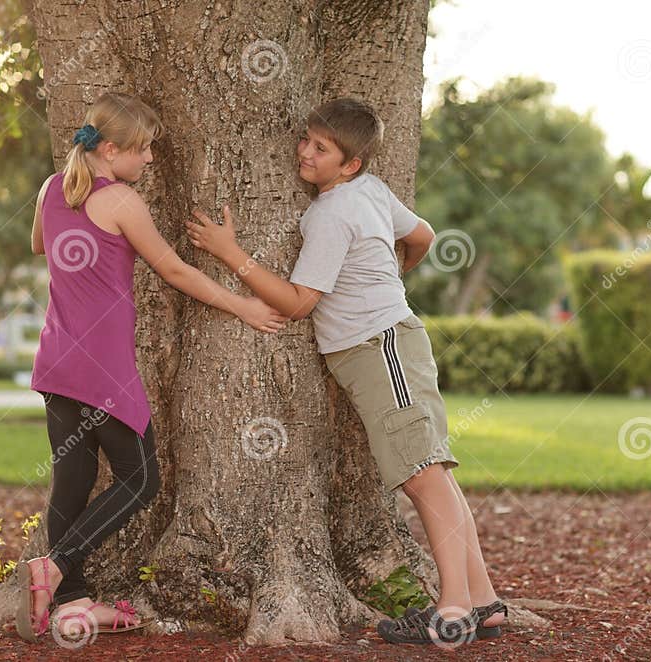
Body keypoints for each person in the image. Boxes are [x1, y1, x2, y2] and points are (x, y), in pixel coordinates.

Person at [186, 98, 506, 646]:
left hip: (381, 350)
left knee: (422, 475)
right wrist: (384, 280)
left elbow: (298, 303)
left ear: (350, 163)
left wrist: (230, 253)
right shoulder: (371, 192)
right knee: (435, 472)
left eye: (321, 148)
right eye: (307, 140)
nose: (304, 153)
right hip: (391, 343)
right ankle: (482, 601)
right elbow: (423, 235)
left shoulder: (332, 214)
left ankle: (452, 609)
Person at [16, 92, 287, 643]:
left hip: (57, 357)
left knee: (74, 478)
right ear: (111, 150)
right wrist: (244, 305)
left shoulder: (50, 189)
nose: (150, 160)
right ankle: (56, 566)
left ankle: (72, 606)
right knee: (140, 481)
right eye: (143, 150)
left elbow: (42, 244)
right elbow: (176, 271)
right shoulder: (121, 202)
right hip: (104, 366)